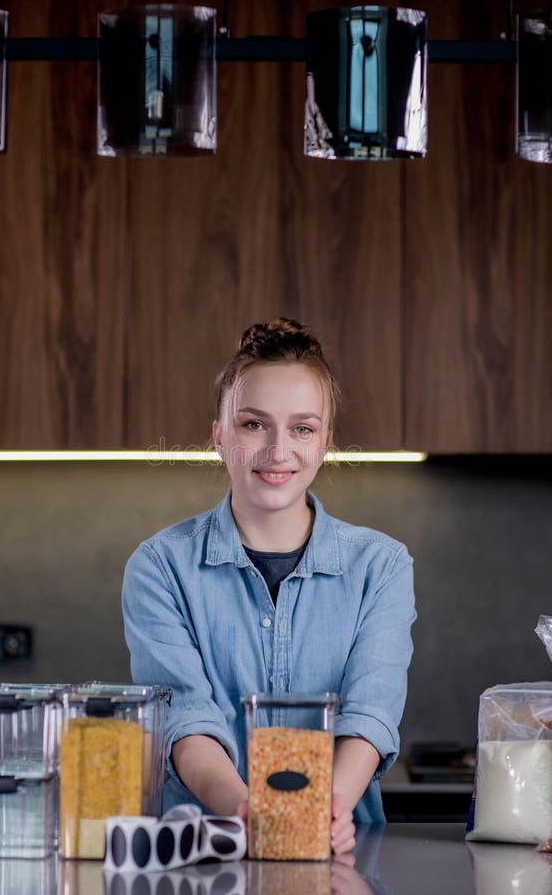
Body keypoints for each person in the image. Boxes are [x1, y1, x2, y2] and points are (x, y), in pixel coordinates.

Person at [122, 318, 416, 855]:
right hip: (205, 856)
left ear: (325, 441)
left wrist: (327, 810)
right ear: (219, 436)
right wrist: (248, 813)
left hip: (339, 853)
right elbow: (188, 722)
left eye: (303, 428)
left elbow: (370, 713)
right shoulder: (160, 566)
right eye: (254, 424)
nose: (279, 449)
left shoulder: (382, 565)